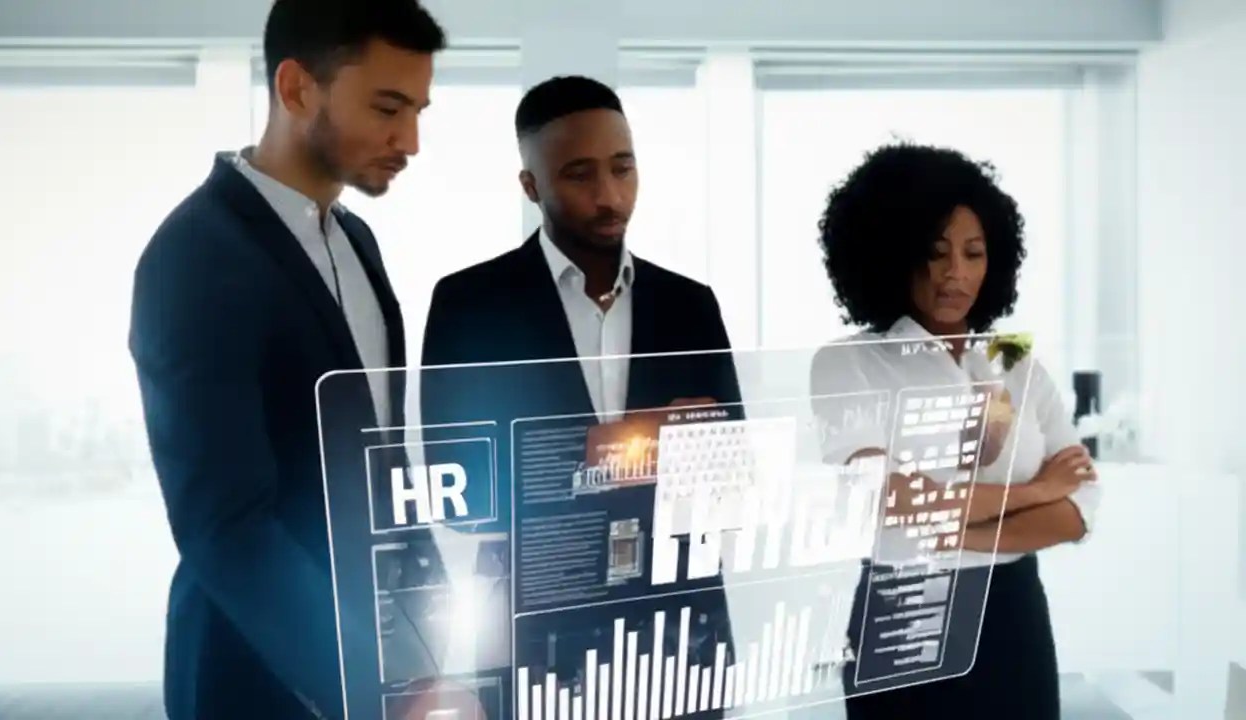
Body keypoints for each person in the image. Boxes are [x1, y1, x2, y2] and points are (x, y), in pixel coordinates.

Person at [127, 2, 449, 718]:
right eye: (388, 107)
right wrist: (367, 687)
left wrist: (431, 633)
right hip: (254, 677)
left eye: (420, 110)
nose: (411, 140)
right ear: (298, 88)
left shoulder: (358, 242)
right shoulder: (193, 257)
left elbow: (380, 460)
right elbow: (226, 527)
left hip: (385, 662)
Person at [419, 75, 742, 718]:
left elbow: (728, 469)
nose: (609, 196)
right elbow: (455, 485)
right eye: (579, 175)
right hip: (536, 634)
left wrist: (570, 460)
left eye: (623, 169)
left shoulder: (689, 304)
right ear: (531, 186)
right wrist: (647, 442)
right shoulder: (468, 305)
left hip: (681, 630)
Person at [808, 142, 1101, 719]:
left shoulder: (1017, 362)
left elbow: (1082, 505)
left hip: (1012, 614)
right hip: (903, 613)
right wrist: (1032, 493)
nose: (956, 273)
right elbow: (887, 501)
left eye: (974, 253)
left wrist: (945, 527)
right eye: (935, 253)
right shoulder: (850, 362)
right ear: (893, 255)